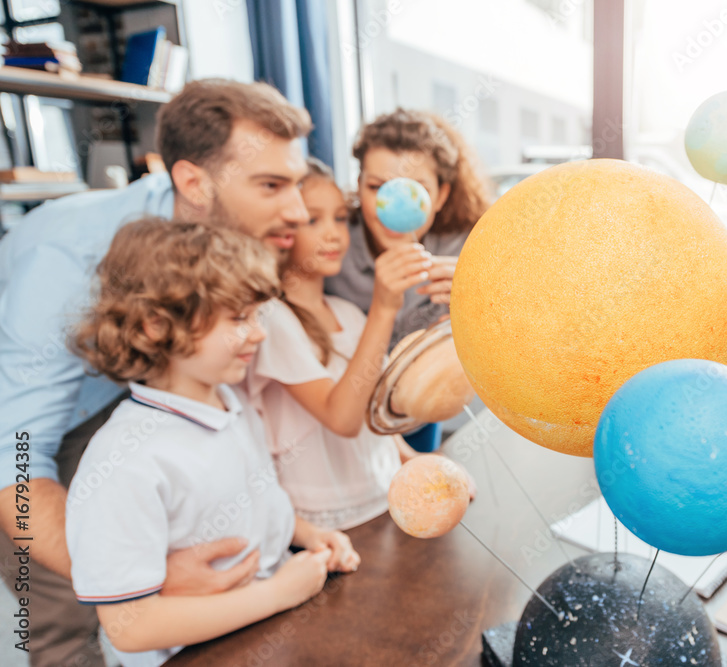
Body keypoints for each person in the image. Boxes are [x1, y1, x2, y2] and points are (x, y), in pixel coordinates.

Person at [0, 78, 312, 666]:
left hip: (132, 397)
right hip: (28, 437)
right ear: (193, 182)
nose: (296, 209)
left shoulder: (215, 239)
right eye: (271, 185)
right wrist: (137, 575)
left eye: (296, 181)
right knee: (62, 622)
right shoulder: (66, 266)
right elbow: (13, 458)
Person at [66, 219, 359, 667]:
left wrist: (309, 534)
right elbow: (130, 626)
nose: (259, 333)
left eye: (257, 315)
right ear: (156, 326)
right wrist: (276, 594)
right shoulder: (124, 462)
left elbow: (255, 499)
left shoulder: (229, 400)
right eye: (239, 318)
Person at [245, 158, 428, 529]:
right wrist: (384, 308)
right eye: (314, 220)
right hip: (328, 524)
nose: (334, 234)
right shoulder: (272, 319)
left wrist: (415, 463)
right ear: (284, 229)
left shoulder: (348, 313)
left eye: (340, 218)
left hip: (384, 500)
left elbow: (370, 412)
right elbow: (342, 417)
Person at [325, 108, 492, 452]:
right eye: (376, 187)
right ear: (358, 187)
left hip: (422, 407)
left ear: (442, 195)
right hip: (344, 421)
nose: (393, 207)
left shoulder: (469, 247)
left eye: (415, 190)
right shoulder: (333, 251)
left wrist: (481, 298)